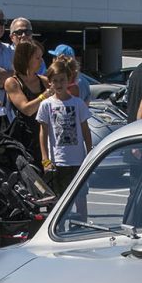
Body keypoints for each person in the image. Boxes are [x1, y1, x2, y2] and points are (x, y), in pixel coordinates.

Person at [37, 55, 93, 201]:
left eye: (62, 79)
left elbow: (85, 129)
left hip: (78, 160)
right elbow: (43, 132)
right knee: (59, 200)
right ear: (49, 83)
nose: (59, 83)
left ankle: (81, 222)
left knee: (80, 197)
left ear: (68, 80)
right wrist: (45, 158)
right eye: (55, 80)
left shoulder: (78, 103)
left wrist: (89, 151)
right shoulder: (46, 105)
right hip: (58, 161)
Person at [4, 39, 50, 157]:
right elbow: (27, 109)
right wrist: (45, 95)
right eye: (37, 58)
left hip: (46, 136)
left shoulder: (44, 81)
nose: (41, 61)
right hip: (26, 140)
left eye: (41, 57)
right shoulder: (13, 82)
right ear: (26, 59)